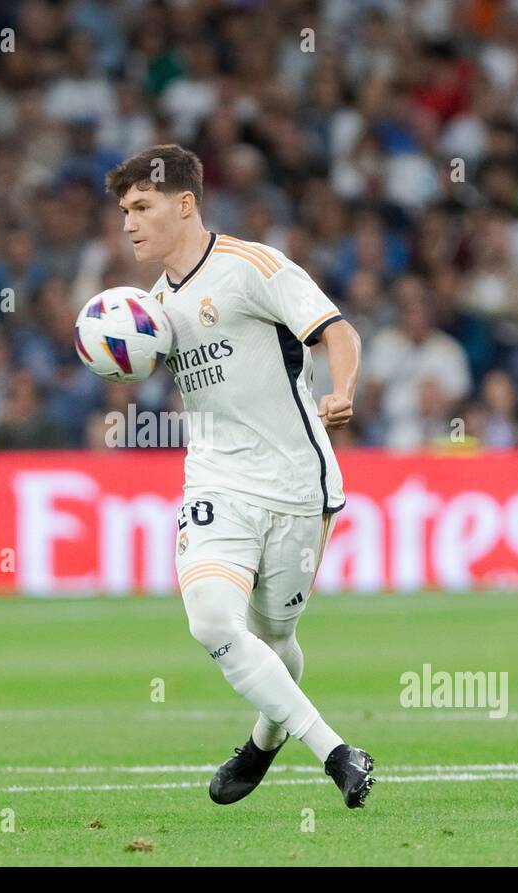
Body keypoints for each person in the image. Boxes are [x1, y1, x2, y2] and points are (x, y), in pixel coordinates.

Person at [105, 144, 374, 809]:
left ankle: (264, 740)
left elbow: (337, 331)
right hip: (216, 487)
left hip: (295, 485)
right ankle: (335, 751)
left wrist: (343, 389)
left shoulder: (253, 268)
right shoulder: (153, 310)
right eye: (124, 212)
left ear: (185, 203)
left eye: (142, 207)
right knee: (213, 622)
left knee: (276, 641)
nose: (130, 224)